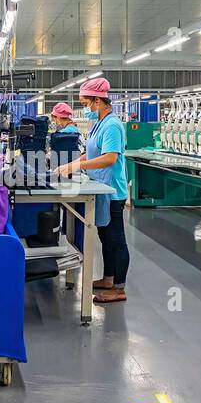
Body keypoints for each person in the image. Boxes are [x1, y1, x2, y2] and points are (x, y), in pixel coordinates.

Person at [52, 77, 129, 304]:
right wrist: (72, 161)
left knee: (116, 239)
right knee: (106, 237)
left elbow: (109, 158)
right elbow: (94, 154)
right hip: (101, 187)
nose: (86, 109)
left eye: (86, 104)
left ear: (97, 101)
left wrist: (77, 165)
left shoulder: (113, 125)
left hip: (113, 190)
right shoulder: (99, 123)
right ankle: (108, 279)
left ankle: (119, 287)